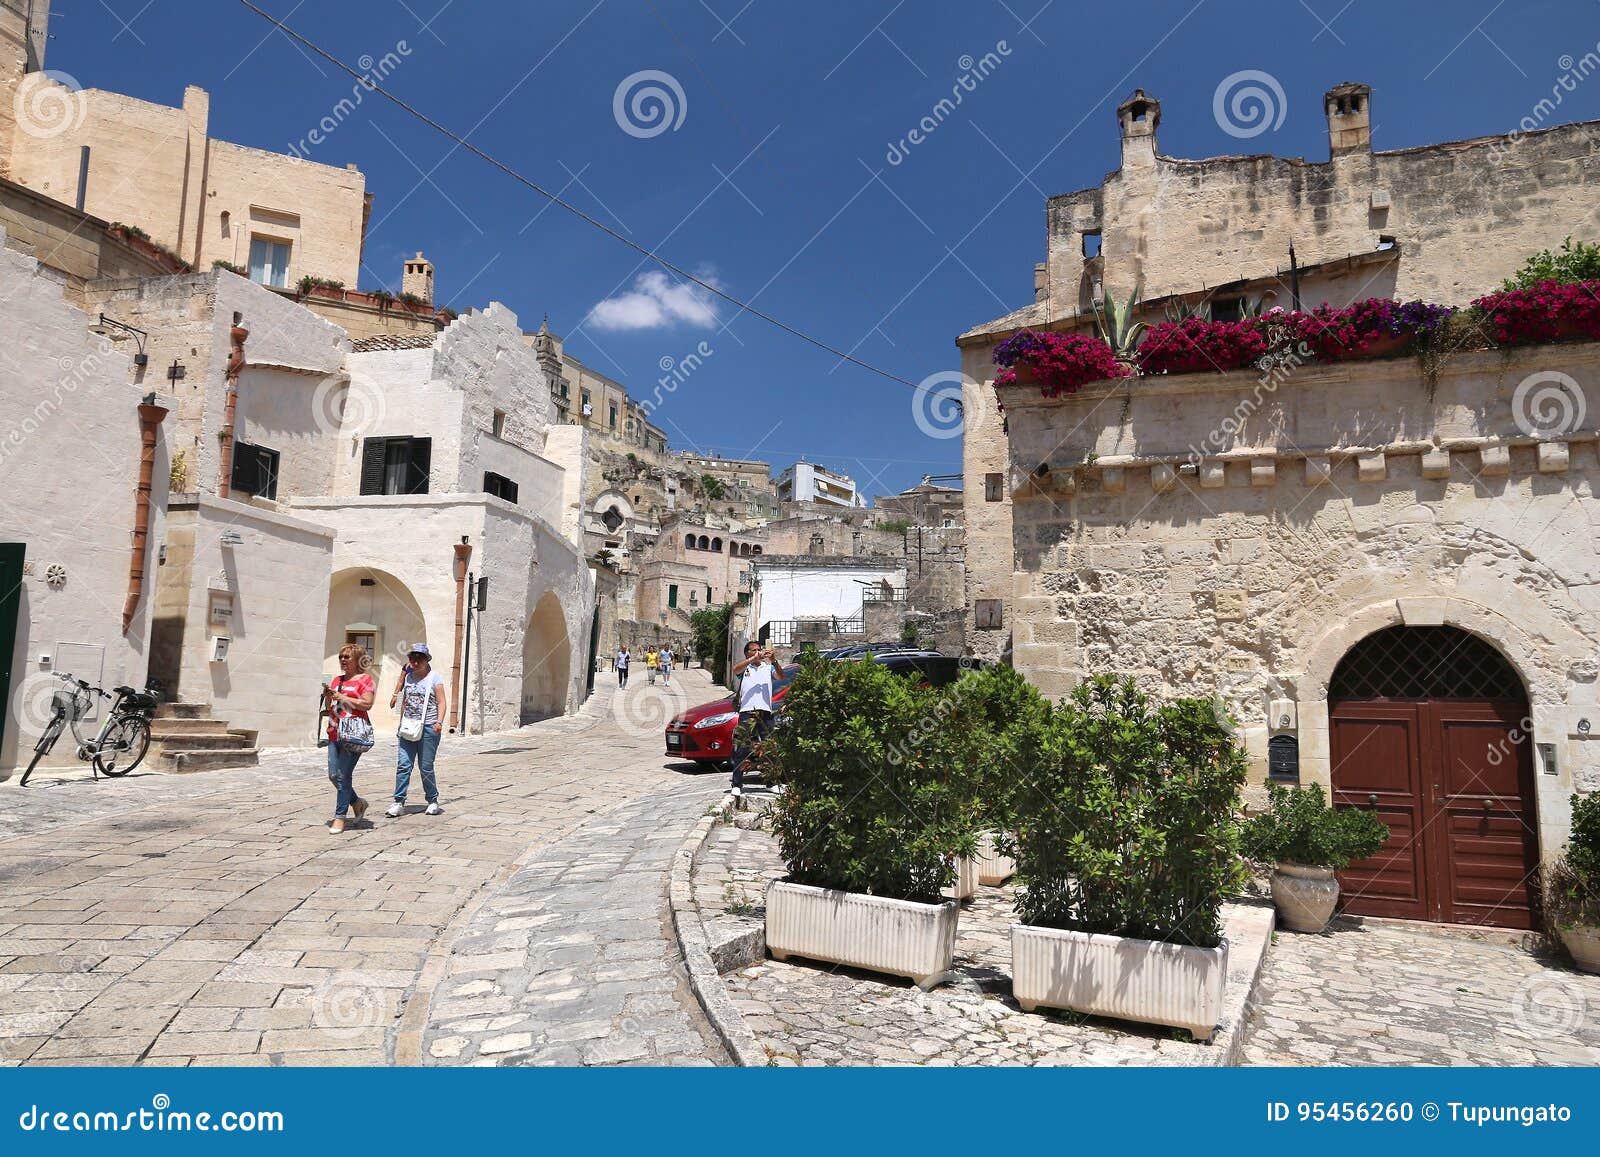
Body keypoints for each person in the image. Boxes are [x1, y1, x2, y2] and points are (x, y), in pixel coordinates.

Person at [387, 643, 447, 818]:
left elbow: (441, 702)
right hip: (408, 726)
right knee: (404, 765)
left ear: (426, 660)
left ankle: (432, 800)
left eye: (418, 658)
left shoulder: (434, 678)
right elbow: (404, 696)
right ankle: (398, 802)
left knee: (425, 766)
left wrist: (439, 722)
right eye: (412, 658)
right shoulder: (408, 676)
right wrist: (396, 699)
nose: (414, 662)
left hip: (429, 727)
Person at [324, 643, 375, 834]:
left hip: (353, 734)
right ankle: (357, 803)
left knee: (344, 776)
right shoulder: (337, 679)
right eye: (341, 657)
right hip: (334, 731)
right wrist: (329, 696)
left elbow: (367, 704)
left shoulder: (365, 680)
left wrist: (343, 697)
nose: (343, 660)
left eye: (347, 657)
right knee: (333, 775)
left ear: (357, 660)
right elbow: (331, 704)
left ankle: (340, 817)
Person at [729, 641, 789, 801]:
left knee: (769, 746)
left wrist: (774, 660)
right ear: (747, 653)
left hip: (765, 711)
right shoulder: (745, 667)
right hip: (747, 711)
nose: (758, 652)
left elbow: (782, 676)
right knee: (742, 747)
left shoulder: (767, 667)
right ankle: (736, 784)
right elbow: (735, 669)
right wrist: (751, 660)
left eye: (759, 649)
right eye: (753, 650)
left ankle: (771, 782)